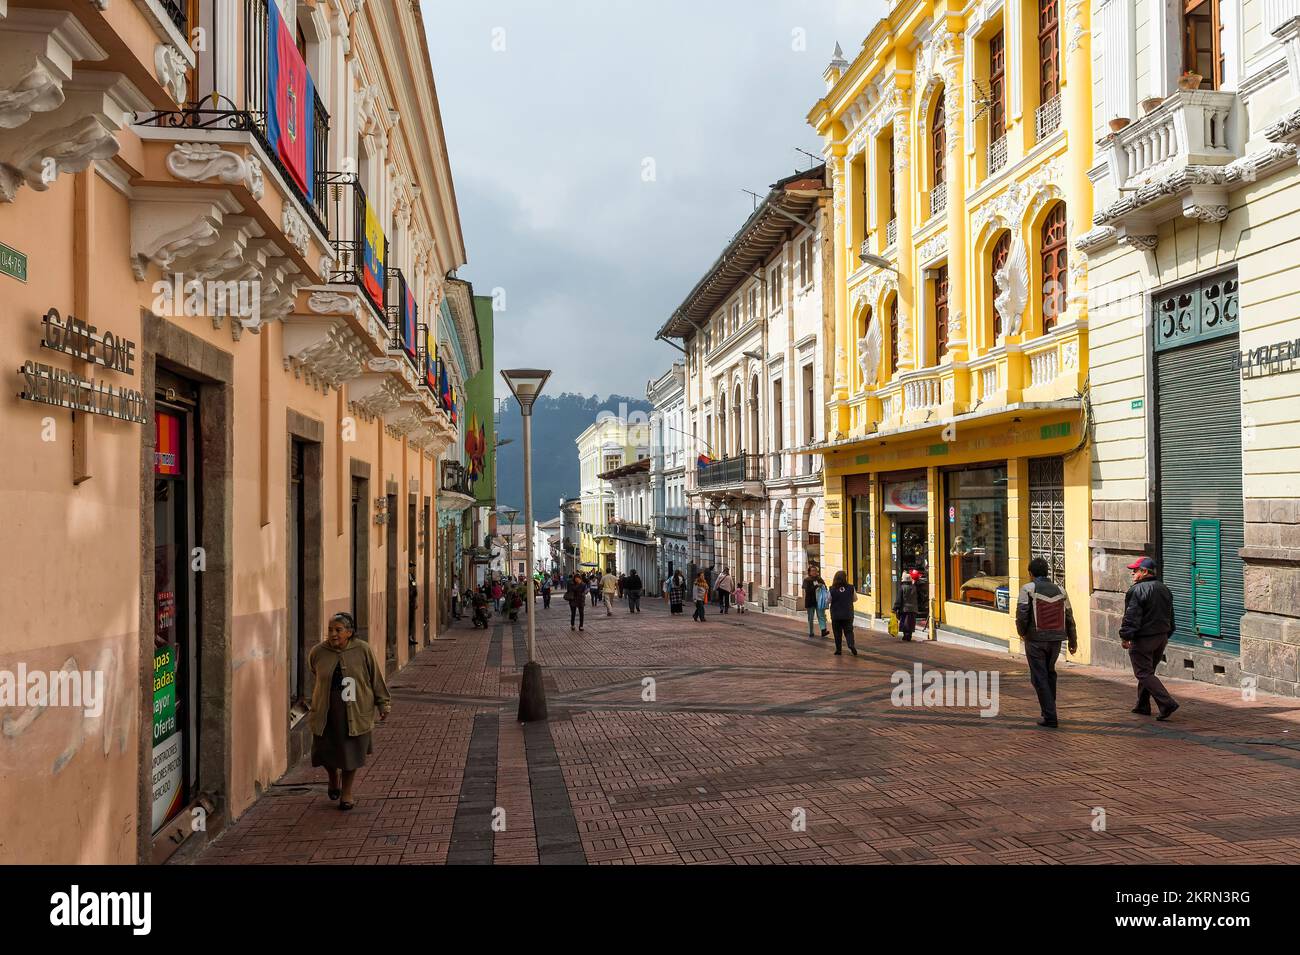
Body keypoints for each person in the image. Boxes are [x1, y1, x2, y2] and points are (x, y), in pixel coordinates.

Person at [309, 612, 390, 811]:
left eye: (338, 630)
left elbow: (375, 678)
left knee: (350, 752)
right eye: (330, 630)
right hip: (326, 710)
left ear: (350, 632)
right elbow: (314, 672)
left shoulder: (363, 650)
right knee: (324, 750)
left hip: (354, 709)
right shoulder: (318, 652)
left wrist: (383, 703)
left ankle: (347, 793)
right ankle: (332, 776)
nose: (333, 634)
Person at [1015, 556, 1078, 728]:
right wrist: (1073, 640)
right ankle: (1049, 709)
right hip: (1056, 639)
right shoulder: (1060, 589)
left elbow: (1022, 614)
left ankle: (1050, 715)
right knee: (1050, 674)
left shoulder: (1027, 588)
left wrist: (1022, 633)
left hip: (1036, 639)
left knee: (1039, 677)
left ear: (1030, 573)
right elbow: (1069, 616)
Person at [1121, 557, 1179, 720]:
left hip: (1144, 638)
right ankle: (1143, 705)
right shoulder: (1164, 589)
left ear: (1144, 571)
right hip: (1161, 637)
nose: (1132, 573)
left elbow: (1131, 617)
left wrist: (1126, 636)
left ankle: (1166, 703)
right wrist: (1167, 633)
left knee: (1143, 673)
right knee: (1148, 671)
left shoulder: (1137, 590)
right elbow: (1171, 615)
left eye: (1135, 570)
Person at [828, 571, 858, 656]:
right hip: (848, 614)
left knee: (837, 632)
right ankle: (851, 644)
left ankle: (838, 650)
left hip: (836, 614)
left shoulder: (832, 589)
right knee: (849, 631)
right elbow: (855, 599)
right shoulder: (851, 587)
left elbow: (828, 600)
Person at [893, 570, 921, 642]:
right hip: (913, 609)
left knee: (905, 623)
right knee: (911, 623)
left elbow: (899, 599)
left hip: (905, 609)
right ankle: (909, 635)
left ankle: (906, 635)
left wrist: (895, 608)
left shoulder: (902, 588)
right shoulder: (914, 587)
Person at [803, 566, 828, 638]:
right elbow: (807, 591)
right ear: (809, 572)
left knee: (821, 616)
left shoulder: (819, 579)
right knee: (810, 617)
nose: (814, 572)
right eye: (812, 571)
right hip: (810, 601)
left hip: (819, 601)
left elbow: (825, 587)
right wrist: (816, 586)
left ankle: (823, 630)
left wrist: (822, 586)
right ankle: (811, 632)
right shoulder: (807, 580)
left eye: (815, 571)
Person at [408, 563, 420, 644]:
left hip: (412, 601)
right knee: (408, 620)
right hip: (408, 600)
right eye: (411, 567)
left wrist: (415, 600)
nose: (412, 569)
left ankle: (410, 636)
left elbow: (415, 589)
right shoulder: (407, 577)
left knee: (411, 619)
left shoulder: (412, 577)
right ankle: (409, 637)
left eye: (413, 567)